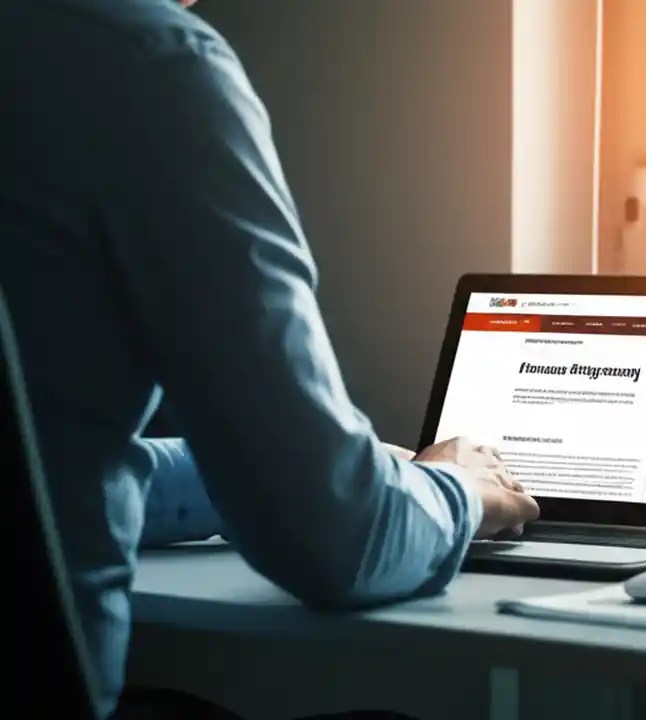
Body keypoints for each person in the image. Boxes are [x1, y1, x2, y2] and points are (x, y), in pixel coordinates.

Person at [0, 1, 541, 717]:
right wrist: (460, 492)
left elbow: (46, 454)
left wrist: (349, 469)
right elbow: (334, 543)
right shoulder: (147, 64)